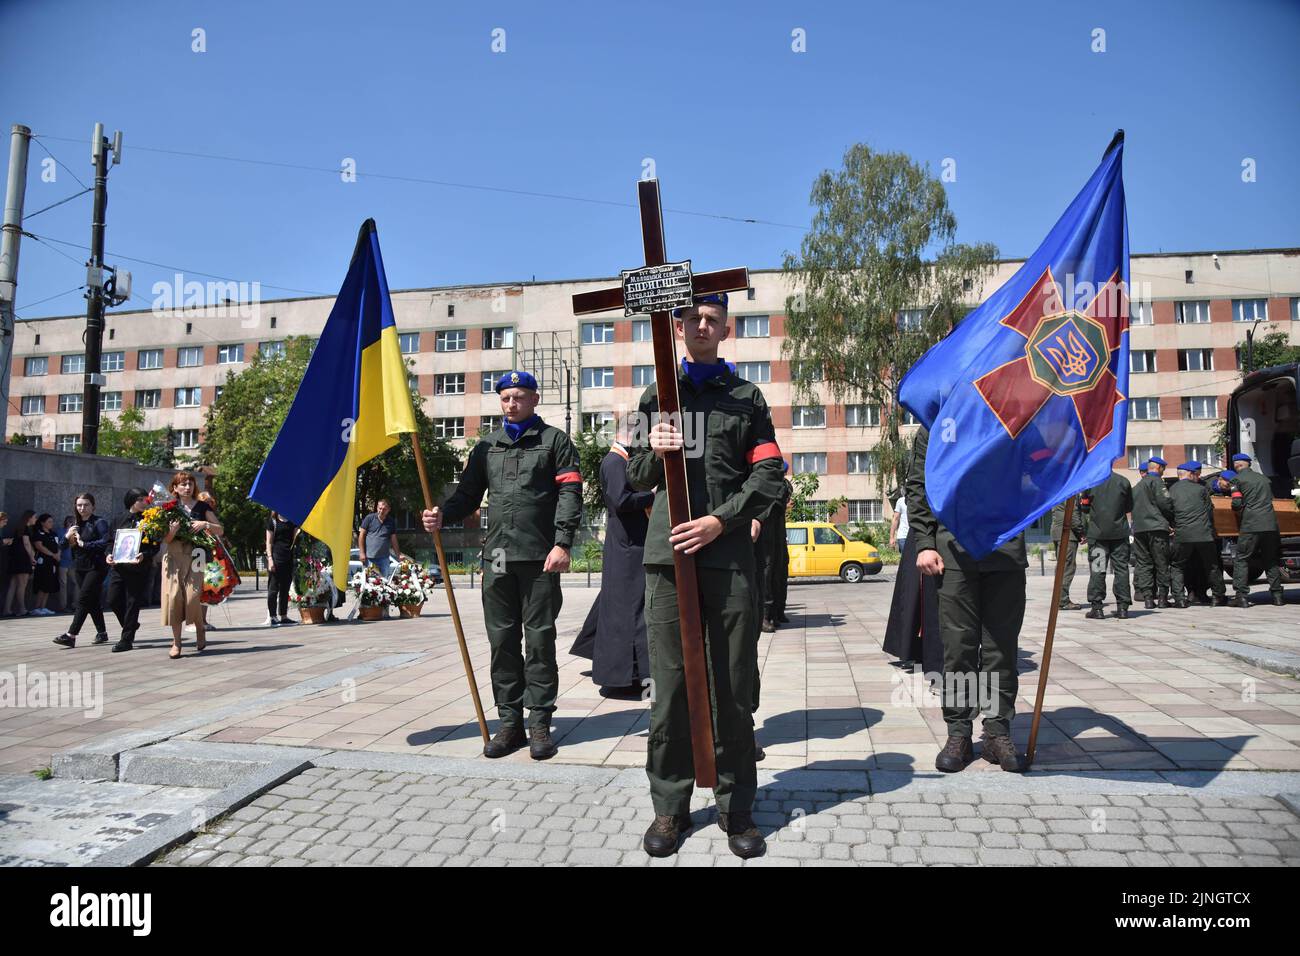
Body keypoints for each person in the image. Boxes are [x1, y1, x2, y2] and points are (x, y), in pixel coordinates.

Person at [625, 292, 784, 860]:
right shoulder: (657, 395)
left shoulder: (746, 398)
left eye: (711, 318)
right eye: (692, 317)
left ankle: (736, 805)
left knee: (731, 686)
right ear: (677, 326)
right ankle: (669, 808)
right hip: (669, 561)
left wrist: (722, 521)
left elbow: (770, 478)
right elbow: (634, 475)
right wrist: (656, 442)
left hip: (727, 558)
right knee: (669, 688)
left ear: (724, 329)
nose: (701, 325)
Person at [422, 369, 582, 762]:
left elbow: (570, 494)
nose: (513, 403)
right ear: (501, 401)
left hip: (540, 555)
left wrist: (563, 543)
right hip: (497, 556)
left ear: (535, 399)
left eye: (521, 396)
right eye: (507, 397)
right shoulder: (486, 447)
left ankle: (540, 723)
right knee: (502, 643)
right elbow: (467, 496)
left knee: (540, 641)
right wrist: (441, 515)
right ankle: (509, 724)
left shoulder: (555, 442)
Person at [907, 426, 1027, 774]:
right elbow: (919, 484)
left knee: (1000, 648)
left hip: (1004, 548)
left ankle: (996, 731)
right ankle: (959, 731)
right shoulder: (937, 423)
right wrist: (925, 541)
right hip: (954, 550)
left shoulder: (1014, 415)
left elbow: (1040, 469)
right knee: (958, 646)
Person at [569, 421, 654, 696]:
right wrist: (651, 496)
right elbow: (620, 499)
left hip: (628, 544)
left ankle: (627, 672)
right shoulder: (615, 461)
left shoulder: (620, 460)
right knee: (629, 611)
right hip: (627, 545)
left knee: (619, 606)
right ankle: (627, 675)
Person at [160, 471, 223, 658]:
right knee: (173, 600)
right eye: (183, 484)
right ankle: (176, 643)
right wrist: (172, 531)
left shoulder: (202, 506)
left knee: (191, 598)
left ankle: (199, 629)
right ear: (175, 488)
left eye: (190, 484)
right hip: (173, 557)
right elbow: (165, 539)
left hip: (197, 555)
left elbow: (220, 530)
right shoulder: (168, 508)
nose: (187, 487)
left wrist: (205, 524)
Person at [1227, 452, 1284, 607]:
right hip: (1270, 525)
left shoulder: (1236, 480)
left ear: (1236, 465)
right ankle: (1277, 595)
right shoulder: (1264, 479)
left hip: (1251, 525)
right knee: (1271, 560)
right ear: (1248, 464)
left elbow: (1237, 503)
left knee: (1242, 558)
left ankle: (1241, 596)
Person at [52, 495, 111, 647]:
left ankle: (71, 635)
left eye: (86, 505)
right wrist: (67, 535)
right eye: (79, 505)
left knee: (83, 598)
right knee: (92, 601)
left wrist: (85, 544)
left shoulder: (99, 522)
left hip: (96, 566)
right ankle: (102, 633)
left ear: (93, 506)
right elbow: (63, 546)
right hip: (79, 566)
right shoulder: (75, 524)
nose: (82, 508)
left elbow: (105, 542)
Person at [106, 489, 159, 653]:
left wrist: (145, 555)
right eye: (141, 500)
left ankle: (126, 639)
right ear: (132, 501)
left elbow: (154, 546)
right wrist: (108, 554)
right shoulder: (118, 519)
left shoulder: (149, 520)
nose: (145, 502)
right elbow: (110, 542)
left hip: (139, 568)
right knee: (113, 600)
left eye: (146, 500)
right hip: (119, 567)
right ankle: (131, 625)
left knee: (132, 603)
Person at [1168, 461, 1225, 608]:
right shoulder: (1201, 489)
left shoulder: (1172, 489)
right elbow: (1209, 511)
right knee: (1212, 565)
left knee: (1177, 566)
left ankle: (1180, 599)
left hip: (1183, 534)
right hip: (1204, 534)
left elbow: (1168, 510)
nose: (1197, 476)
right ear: (1189, 474)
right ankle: (1218, 597)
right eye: (1195, 474)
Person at [1082, 468, 1134, 619]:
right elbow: (1129, 506)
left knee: (1098, 569)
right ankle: (1123, 607)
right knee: (1121, 569)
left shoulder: (1090, 481)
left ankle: (1097, 608)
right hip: (1119, 534)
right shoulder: (1123, 481)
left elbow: (1084, 507)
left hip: (1098, 535)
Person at [1131, 457, 1175, 609]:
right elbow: (1165, 503)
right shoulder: (1157, 482)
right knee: (1161, 563)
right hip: (1156, 528)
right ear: (1159, 468)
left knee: (1143, 564)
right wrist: (1170, 520)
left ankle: (1148, 598)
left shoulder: (1137, 486)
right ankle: (1163, 598)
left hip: (1139, 529)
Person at [1048, 496, 1085, 610]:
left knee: (1061, 567)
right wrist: (1082, 533)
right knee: (1066, 567)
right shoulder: (1070, 493)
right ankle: (1062, 600)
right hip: (1067, 534)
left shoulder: (1059, 492)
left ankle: (1059, 598)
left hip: (1057, 532)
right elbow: (1073, 516)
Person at [765, 469, 792, 626]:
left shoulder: (782, 486)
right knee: (768, 572)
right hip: (767, 537)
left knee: (780, 572)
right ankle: (766, 615)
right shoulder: (769, 487)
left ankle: (777, 612)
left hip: (778, 537)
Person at [266, 511, 300, 626]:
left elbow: (295, 538)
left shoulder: (292, 521)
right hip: (276, 558)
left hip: (288, 558)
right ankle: (272, 616)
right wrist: (270, 559)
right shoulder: (273, 521)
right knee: (273, 589)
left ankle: (283, 615)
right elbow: (269, 542)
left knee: (285, 589)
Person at [3, 510, 36, 617]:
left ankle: (7, 609)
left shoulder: (19, 528)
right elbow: (26, 543)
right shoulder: (25, 529)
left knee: (13, 585)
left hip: (15, 559)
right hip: (23, 559)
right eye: (34, 517)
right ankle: (22, 609)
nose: (35, 519)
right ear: (29, 518)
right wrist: (32, 557)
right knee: (22, 585)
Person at [358, 499, 403, 577]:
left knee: (384, 583)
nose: (381, 511)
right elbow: (361, 536)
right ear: (377, 508)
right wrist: (362, 553)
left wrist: (398, 554)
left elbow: (393, 539)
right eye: (380, 508)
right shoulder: (369, 518)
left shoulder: (391, 521)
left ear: (388, 510)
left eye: (384, 509)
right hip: (369, 558)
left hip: (384, 559)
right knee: (369, 583)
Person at [29, 514, 61, 616]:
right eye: (49, 522)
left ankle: (43, 607)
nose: (51, 524)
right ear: (43, 522)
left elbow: (58, 546)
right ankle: (37, 607)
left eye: (52, 521)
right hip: (43, 562)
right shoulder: (39, 534)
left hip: (53, 563)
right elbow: (39, 546)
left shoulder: (53, 534)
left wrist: (57, 555)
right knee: (42, 584)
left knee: (49, 584)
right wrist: (52, 555)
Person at [57, 516, 75, 613]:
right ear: (66, 522)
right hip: (63, 561)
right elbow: (59, 545)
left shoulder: (76, 532)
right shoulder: (60, 531)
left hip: (73, 562)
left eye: (73, 522)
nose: (71, 523)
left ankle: (75, 604)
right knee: (63, 584)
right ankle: (63, 606)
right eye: (69, 522)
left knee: (77, 582)